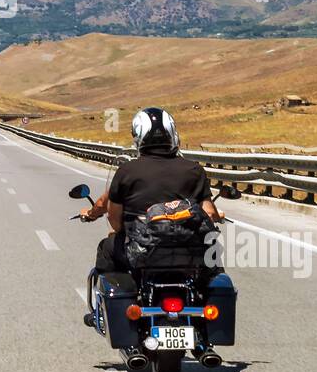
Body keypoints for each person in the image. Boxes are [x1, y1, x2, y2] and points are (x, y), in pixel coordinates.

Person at [81, 107, 222, 274]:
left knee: (106, 248)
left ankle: (122, 300)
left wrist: (122, 231)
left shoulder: (127, 171)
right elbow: (210, 214)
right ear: (172, 134)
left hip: (141, 251)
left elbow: (113, 217)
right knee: (213, 263)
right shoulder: (194, 170)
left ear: (138, 137)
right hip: (189, 252)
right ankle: (211, 298)